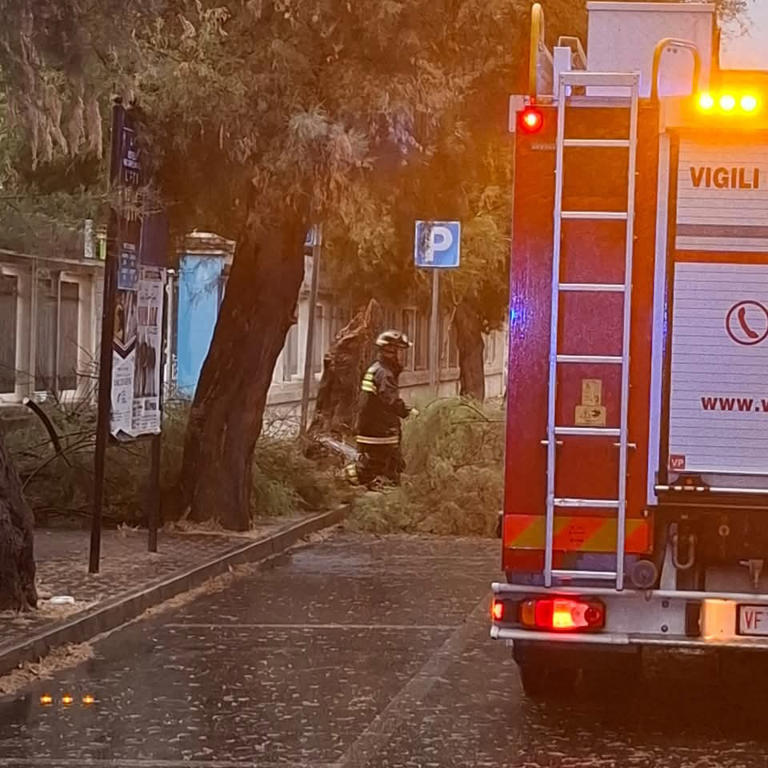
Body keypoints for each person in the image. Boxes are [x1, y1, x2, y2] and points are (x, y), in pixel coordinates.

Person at [346, 329, 417, 487]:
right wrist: (408, 412)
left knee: (378, 465)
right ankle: (351, 481)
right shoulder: (384, 373)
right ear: (390, 352)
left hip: (372, 426)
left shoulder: (377, 368)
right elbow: (390, 399)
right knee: (384, 467)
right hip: (380, 430)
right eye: (399, 351)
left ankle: (354, 481)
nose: (401, 357)